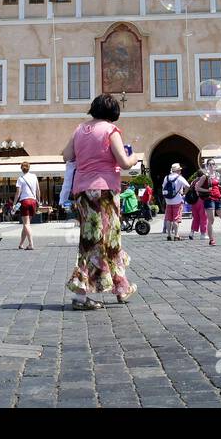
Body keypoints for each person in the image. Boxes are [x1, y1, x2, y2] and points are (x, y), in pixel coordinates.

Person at [61, 94, 137, 308]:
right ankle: (82, 296)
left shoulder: (79, 129)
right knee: (109, 240)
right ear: (113, 113)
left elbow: (66, 155)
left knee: (91, 240)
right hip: (104, 191)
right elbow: (124, 163)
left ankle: (121, 288)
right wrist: (134, 158)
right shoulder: (110, 130)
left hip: (82, 191)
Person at [193, 163, 221, 247]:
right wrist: (207, 190)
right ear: (207, 166)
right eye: (210, 164)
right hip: (209, 199)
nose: (212, 166)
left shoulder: (216, 175)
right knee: (211, 220)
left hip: (218, 199)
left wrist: (219, 187)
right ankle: (211, 240)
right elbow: (197, 187)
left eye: (213, 164)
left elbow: (215, 185)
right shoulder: (205, 176)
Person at [15, 162, 39, 251]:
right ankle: (21, 244)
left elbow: (18, 193)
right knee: (26, 224)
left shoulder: (20, 179)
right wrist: (38, 201)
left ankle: (31, 244)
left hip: (24, 201)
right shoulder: (34, 176)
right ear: (29, 168)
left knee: (26, 224)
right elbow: (38, 190)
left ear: (21, 169)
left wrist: (14, 203)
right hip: (33, 201)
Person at [161, 164, 189, 241]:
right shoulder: (179, 177)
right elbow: (188, 186)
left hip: (168, 201)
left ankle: (169, 235)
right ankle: (176, 235)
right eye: (180, 170)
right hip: (177, 200)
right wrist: (184, 193)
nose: (180, 171)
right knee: (176, 218)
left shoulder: (166, 177)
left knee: (168, 218)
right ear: (177, 171)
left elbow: (163, 187)